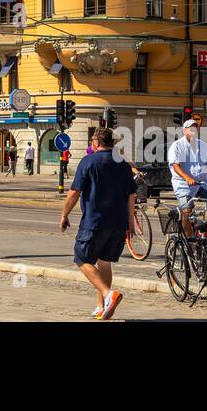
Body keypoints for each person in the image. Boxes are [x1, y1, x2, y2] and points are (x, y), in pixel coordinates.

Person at [59, 126, 135, 320]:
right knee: (104, 262)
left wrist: (64, 214)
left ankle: (109, 295)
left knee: (81, 258)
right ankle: (101, 306)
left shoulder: (88, 161)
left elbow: (75, 192)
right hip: (118, 223)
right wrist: (131, 222)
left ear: (96, 142)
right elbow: (131, 195)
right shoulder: (123, 164)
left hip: (95, 221)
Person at [168, 119, 207, 235]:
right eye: (191, 128)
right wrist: (187, 178)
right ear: (185, 131)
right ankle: (190, 240)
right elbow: (175, 166)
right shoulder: (177, 146)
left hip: (203, 183)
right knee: (187, 211)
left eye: (196, 127)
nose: (194, 130)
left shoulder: (203, 145)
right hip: (184, 185)